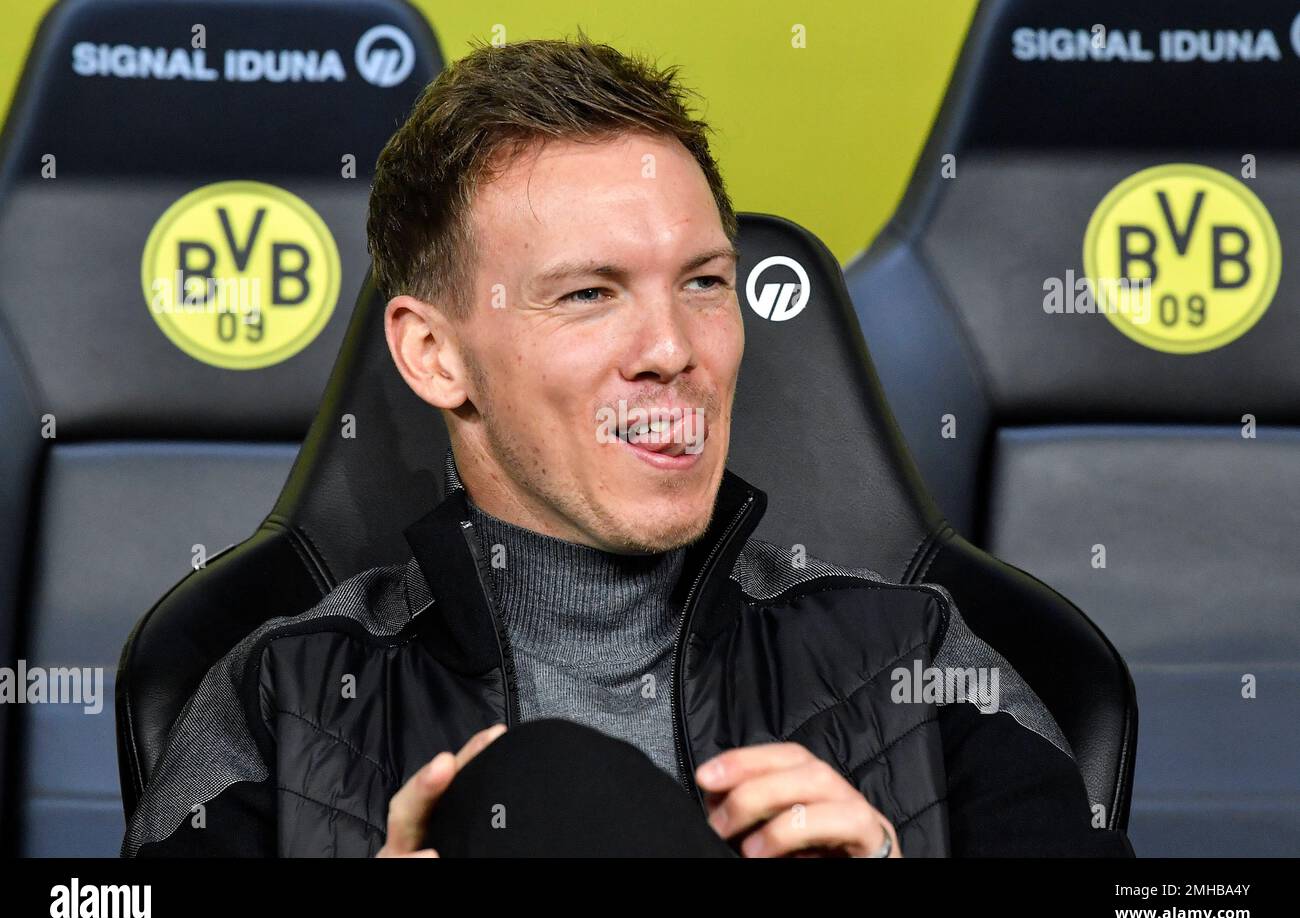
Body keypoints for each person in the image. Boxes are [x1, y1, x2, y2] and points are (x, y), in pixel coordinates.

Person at [121, 33, 1134, 859]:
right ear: (435, 357)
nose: (674, 350)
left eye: (703, 282)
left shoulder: (912, 662)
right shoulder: (286, 701)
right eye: (589, 294)